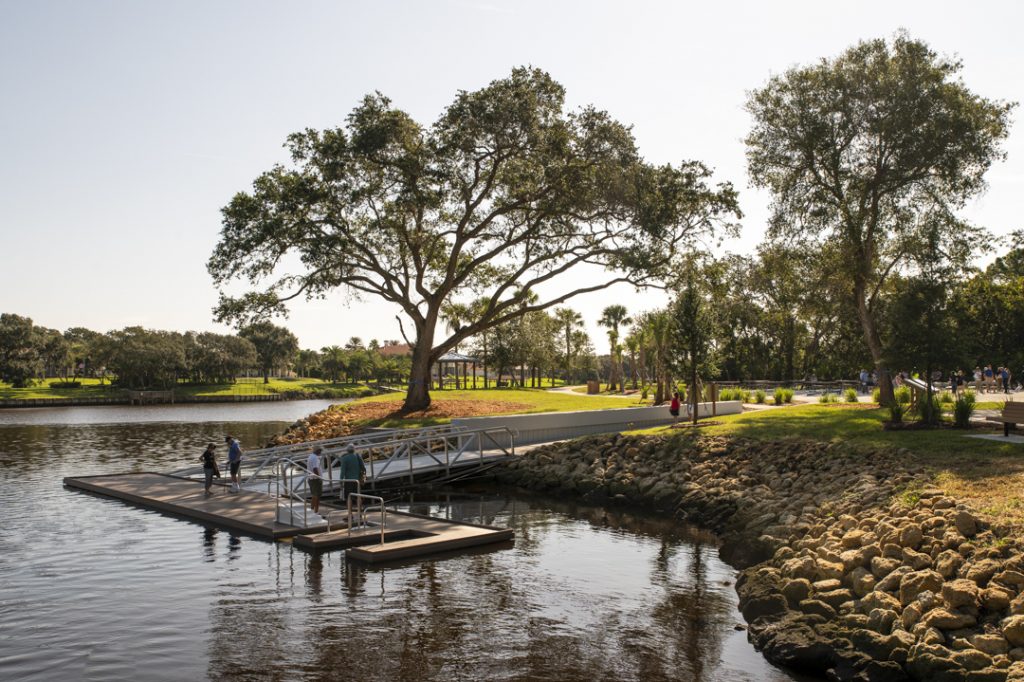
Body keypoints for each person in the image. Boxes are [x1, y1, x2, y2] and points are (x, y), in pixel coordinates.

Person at [307, 446, 323, 514]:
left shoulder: (310, 456)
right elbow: (315, 468)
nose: (320, 452)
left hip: (311, 478)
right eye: (320, 450)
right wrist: (319, 477)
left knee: (314, 495)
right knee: (317, 495)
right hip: (315, 479)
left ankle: (312, 510)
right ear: (317, 450)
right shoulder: (315, 458)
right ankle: (316, 511)